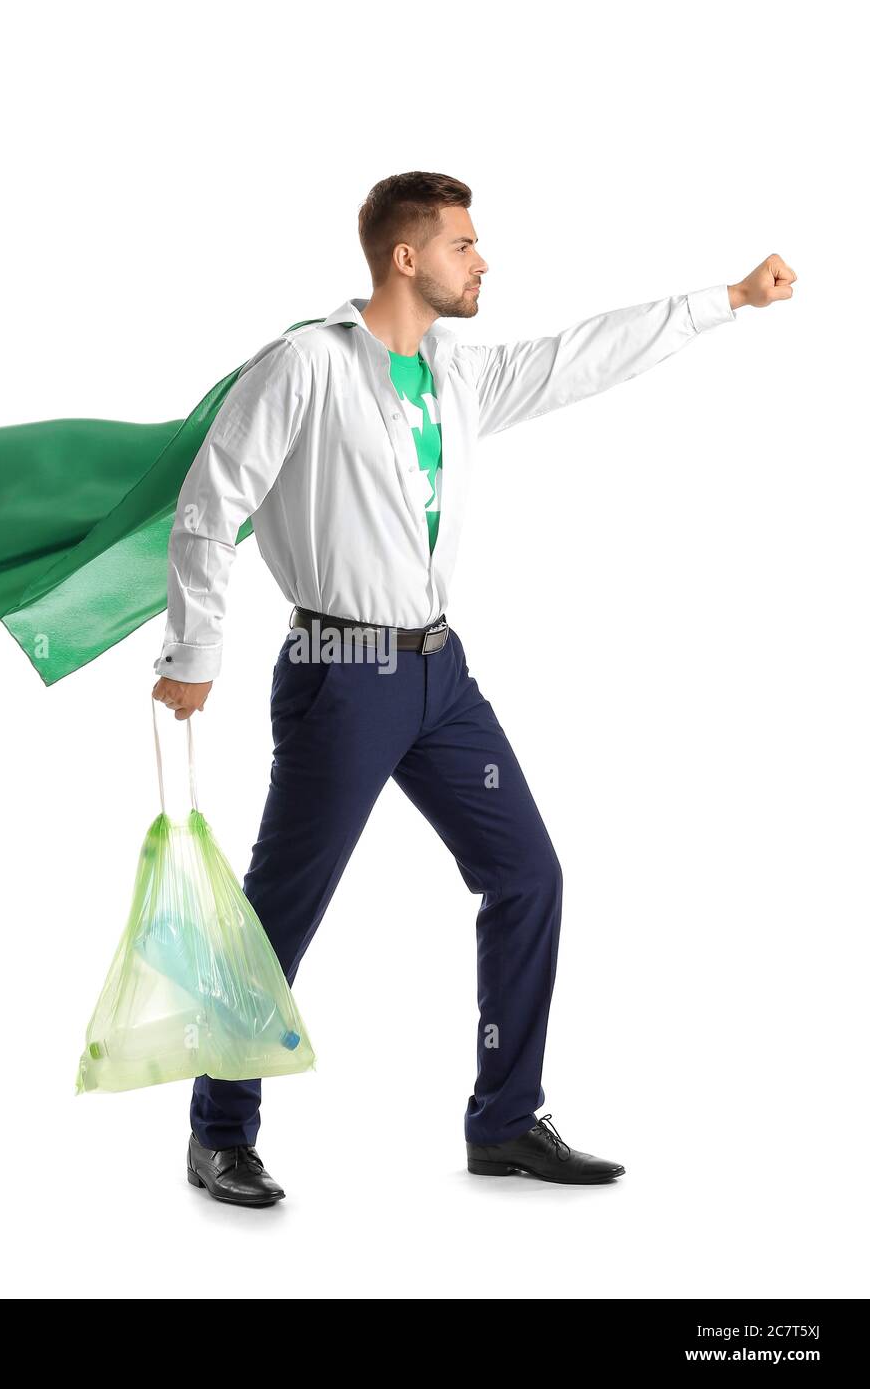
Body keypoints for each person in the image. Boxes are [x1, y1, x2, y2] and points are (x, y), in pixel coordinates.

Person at [152, 169, 796, 1207]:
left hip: (440, 675)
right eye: (462, 244)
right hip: (341, 675)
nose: (480, 260)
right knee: (280, 912)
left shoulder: (455, 376)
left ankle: (504, 1121)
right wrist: (192, 654)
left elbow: (578, 357)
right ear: (405, 257)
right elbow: (207, 502)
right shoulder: (303, 368)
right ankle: (218, 1133)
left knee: (527, 874)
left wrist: (723, 299)